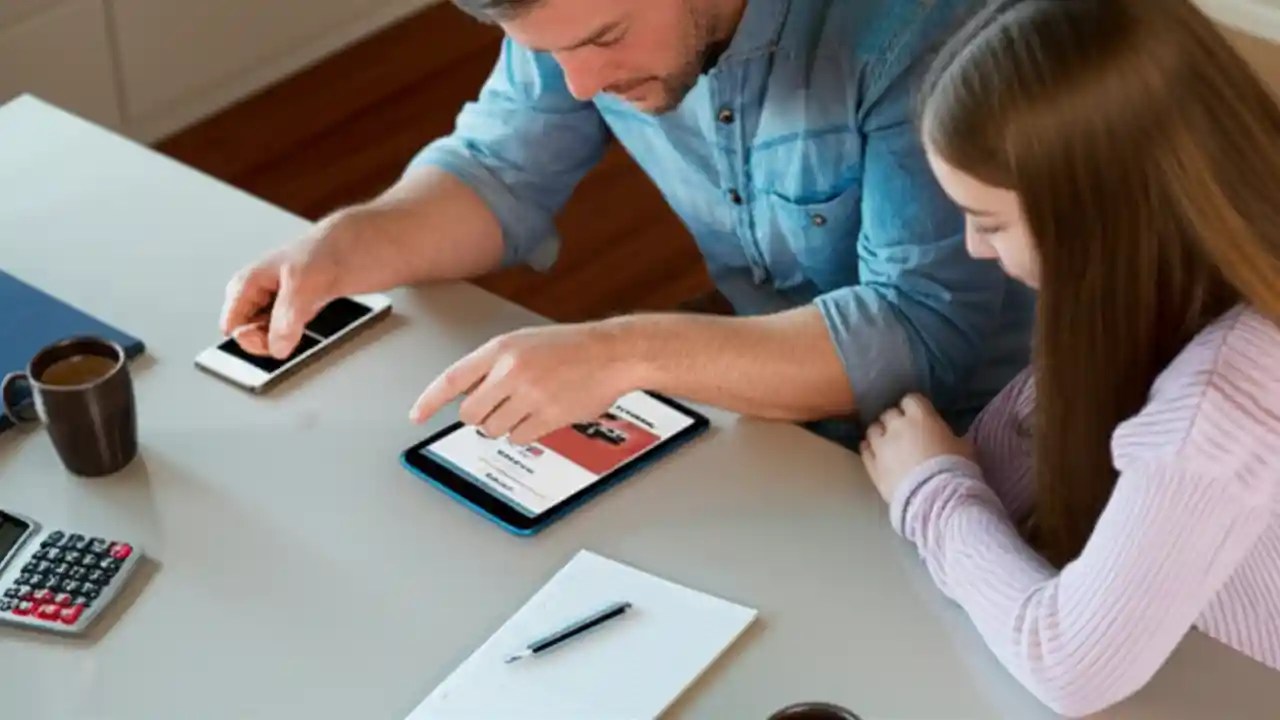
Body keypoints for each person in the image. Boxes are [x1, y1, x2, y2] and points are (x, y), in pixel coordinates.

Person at [219, 0, 1035, 448]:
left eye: (604, 40)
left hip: (1011, 440)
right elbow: (499, 169)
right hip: (781, 422)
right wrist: (343, 244)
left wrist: (620, 353)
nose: (579, 86)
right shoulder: (573, 20)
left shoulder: (919, 28)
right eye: (551, 53)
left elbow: (920, 335)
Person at [860, 0, 1280, 716]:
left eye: (990, 222)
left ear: (1102, 219)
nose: (973, 248)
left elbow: (1070, 667)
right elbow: (1022, 463)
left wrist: (931, 491)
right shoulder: (1199, 266)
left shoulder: (1221, 406)